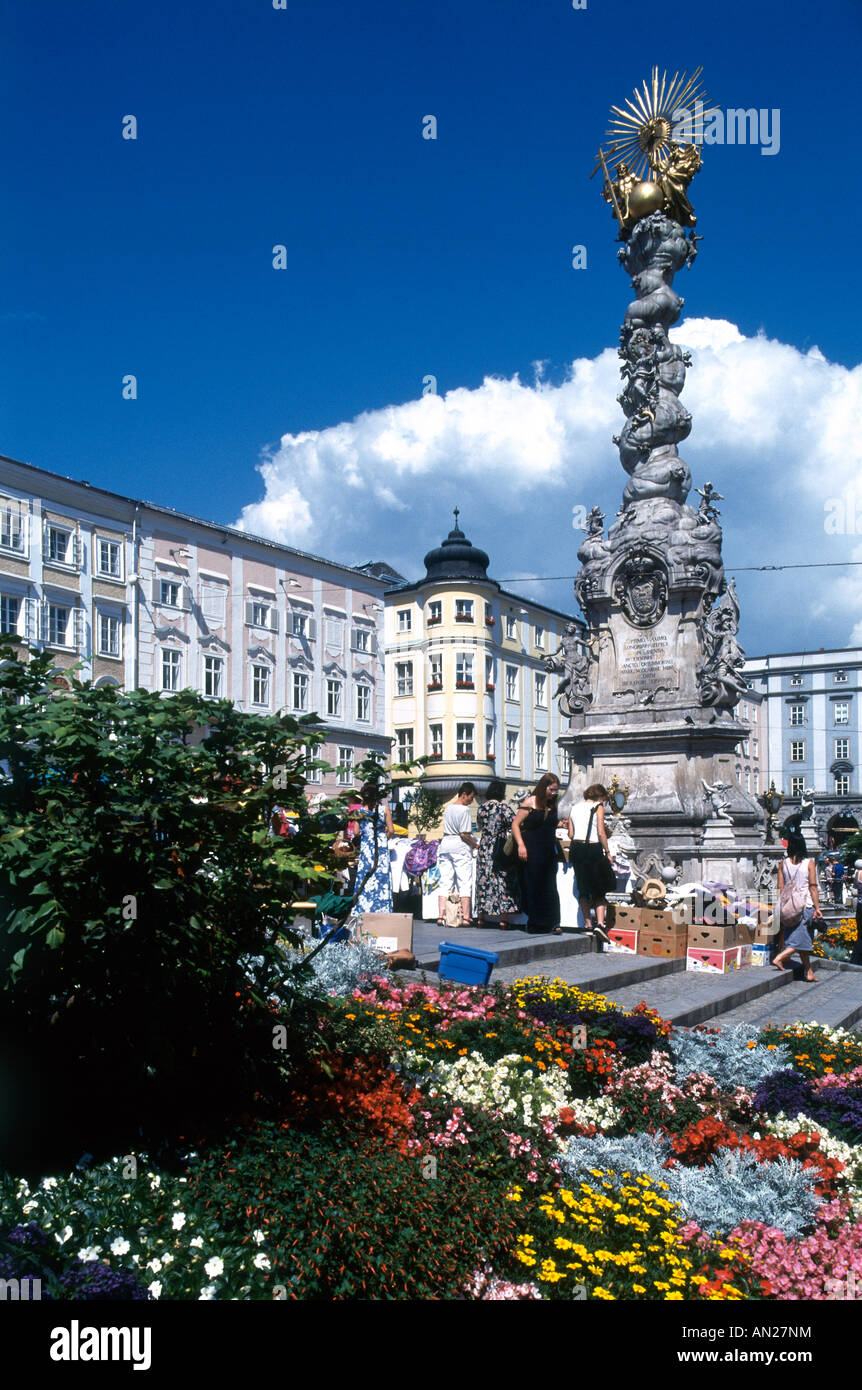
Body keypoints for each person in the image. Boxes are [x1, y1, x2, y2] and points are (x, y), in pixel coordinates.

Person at [512, 773, 562, 935]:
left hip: (548, 850)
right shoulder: (530, 802)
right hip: (531, 849)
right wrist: (521, 845)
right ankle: (535, 922)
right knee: (533, 885)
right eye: (552, 790)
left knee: (549, 886)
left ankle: (553, 922)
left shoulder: (552, 804)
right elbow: (515, 824)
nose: (554, 793)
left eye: (556, 790)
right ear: (543, 787)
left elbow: (550, 824)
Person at [772, 832, 822, 982]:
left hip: (788, 906)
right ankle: (780, 957)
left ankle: (809, 971)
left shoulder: (783, 864)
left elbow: (780, 887)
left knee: (798, 936)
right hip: (805, 904)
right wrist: (817, 907)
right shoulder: (809, 863)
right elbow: (813, 886)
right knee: (803, 938)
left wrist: (781, 906)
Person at [567, 783, 612, 937]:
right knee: (599, 889)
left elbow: (571, 834)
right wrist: (608, 851)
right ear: (600, 796)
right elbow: (600, 832)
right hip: (592, 849)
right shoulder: (598, 806)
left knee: (583, 888)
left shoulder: (574, 808)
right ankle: (600, 924)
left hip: (576, 849)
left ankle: (587, 924)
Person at [474, 779, 520, 928]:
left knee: (483, 879)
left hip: (484, 846)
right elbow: (515, 823)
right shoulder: (503, 808)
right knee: (501, 879)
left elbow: (480, 826)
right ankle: (503, 919)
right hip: (498, 846)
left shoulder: (481, 808)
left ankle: (481, 917)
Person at [437, 783, 478, 927]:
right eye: (471, 797)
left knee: (445, 881)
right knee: (464, 881)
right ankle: (466, 917)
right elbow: (464, 834)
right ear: (464, 794)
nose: (471, 801)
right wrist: (476, 844)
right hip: (459, 846)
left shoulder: (449, 808)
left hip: (446, 844)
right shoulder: (464, 810)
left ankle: (441, 916)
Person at [354, 780, 394, 914]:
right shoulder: (384, 809)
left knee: (365, 876)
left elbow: (355, 832)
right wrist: (383, 838)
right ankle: (382, 908)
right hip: (380, 846)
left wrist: (366, 835)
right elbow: (391, 830)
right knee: (381, 876)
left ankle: (363, 907)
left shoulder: (359, 812)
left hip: (366, 847)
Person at [852, 861, 862, 969]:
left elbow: (855, 886)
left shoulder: (857, 874)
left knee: (860, 932)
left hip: (859, 906)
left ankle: (856, 958)